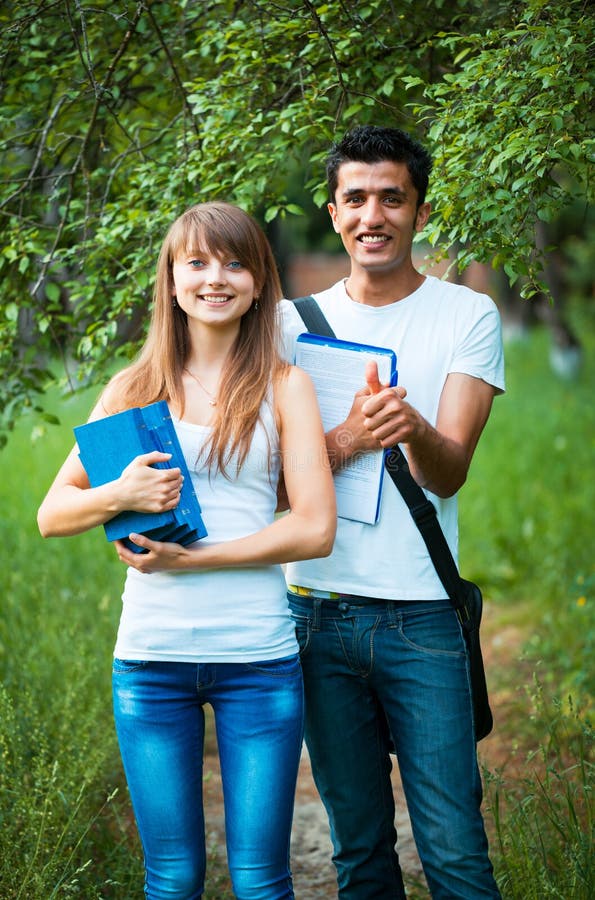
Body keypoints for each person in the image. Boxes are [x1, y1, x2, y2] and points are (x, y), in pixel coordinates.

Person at [37, 201, 336, 900]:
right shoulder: (132, 389)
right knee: (172, 879)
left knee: (262, 879)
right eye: (196, 263)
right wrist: (121, 495)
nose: (215, 278)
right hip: (149, 661)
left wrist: (191, 560)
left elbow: (314, 529)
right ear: (170, 282)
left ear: (259, 283)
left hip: (257, 661)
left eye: (235, 263)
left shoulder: (284, 387)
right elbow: (53, 514)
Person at [279, 125, 505, 899]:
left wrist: (411, 431)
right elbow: (265, 487)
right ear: (334, 210)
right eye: (355, 198)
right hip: (316, 613)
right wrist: (344, 439)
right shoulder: (283, 325)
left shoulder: (465, 315)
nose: (371, 215)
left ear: (418, 209)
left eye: (390, 197)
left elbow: (449, 477)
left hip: (424, 619)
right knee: (360, 854)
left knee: (453, 851)